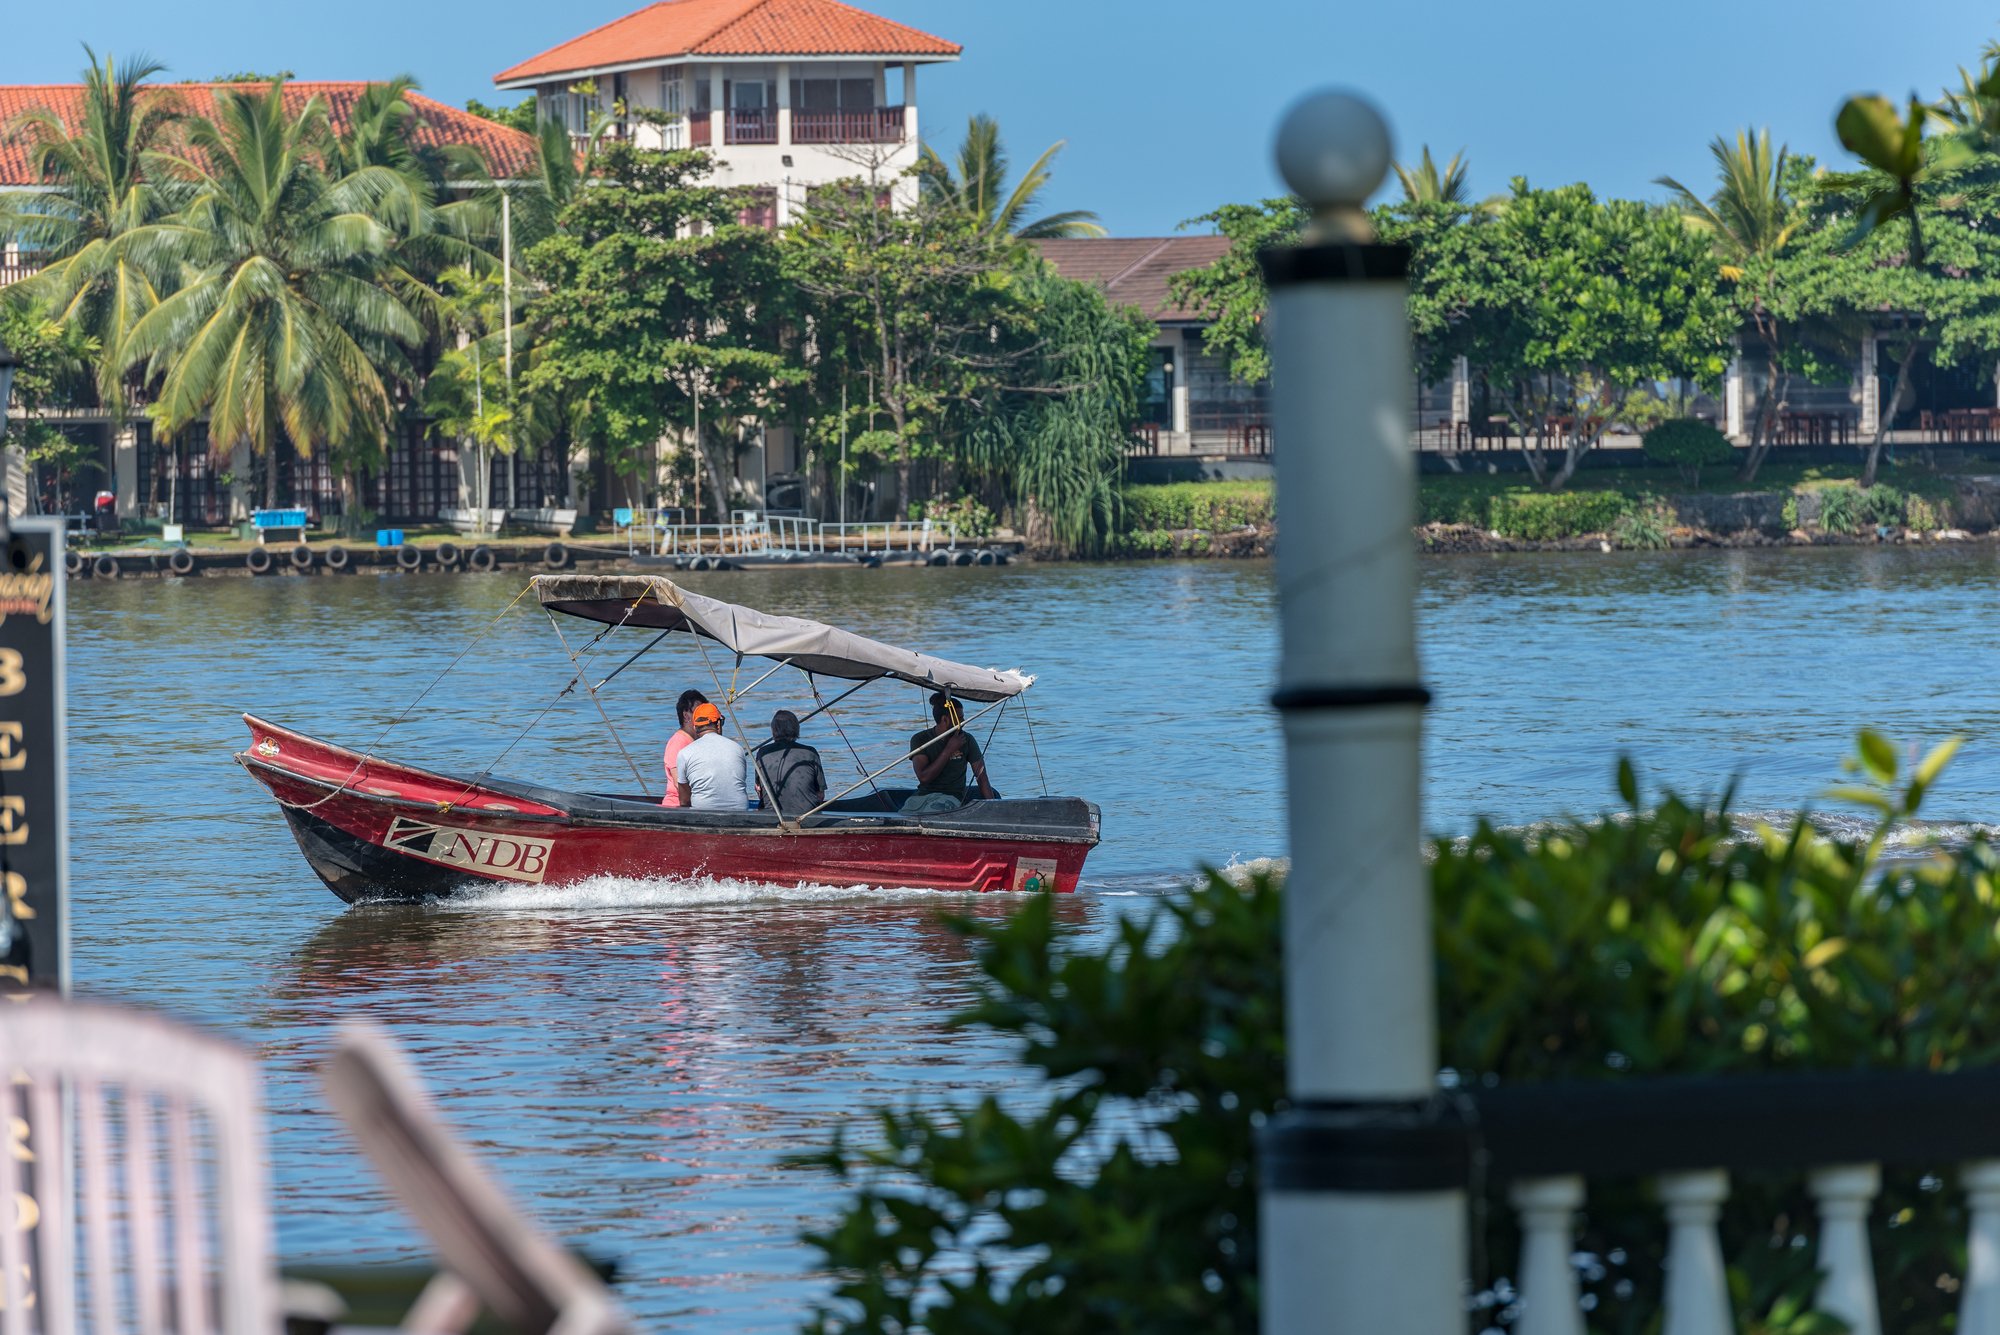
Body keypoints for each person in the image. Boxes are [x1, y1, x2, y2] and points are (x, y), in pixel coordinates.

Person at [906, 692, 996, 813]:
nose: (963, 721)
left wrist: (993, 808)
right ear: (945, 719)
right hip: (922, 797)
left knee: (936, 810)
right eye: (959, 718)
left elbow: (981, 776)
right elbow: (924, 777)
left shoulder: (967, 740)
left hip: (951, 798)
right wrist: (949, 749)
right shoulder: (920, 739)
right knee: (905, 813)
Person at [674, 702, 750, 810]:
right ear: (718, 725)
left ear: (695, 727)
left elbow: (684, 800)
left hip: (703, 816)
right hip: (740, 814)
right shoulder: (738, 749)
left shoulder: (684, 753)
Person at [754, 709, 826, 818]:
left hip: (771, 817)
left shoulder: (762, 753)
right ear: (797, 729)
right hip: (807, 817)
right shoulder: (810, 752)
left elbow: (759, 790)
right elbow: (820, 795)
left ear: (773, 731)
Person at [660, 689, 710, 807]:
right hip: (677, 806)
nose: (704, 717)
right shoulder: (677, 743)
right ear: (686, 715)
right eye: (699, 712)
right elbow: (680, 784)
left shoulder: (697, 741)